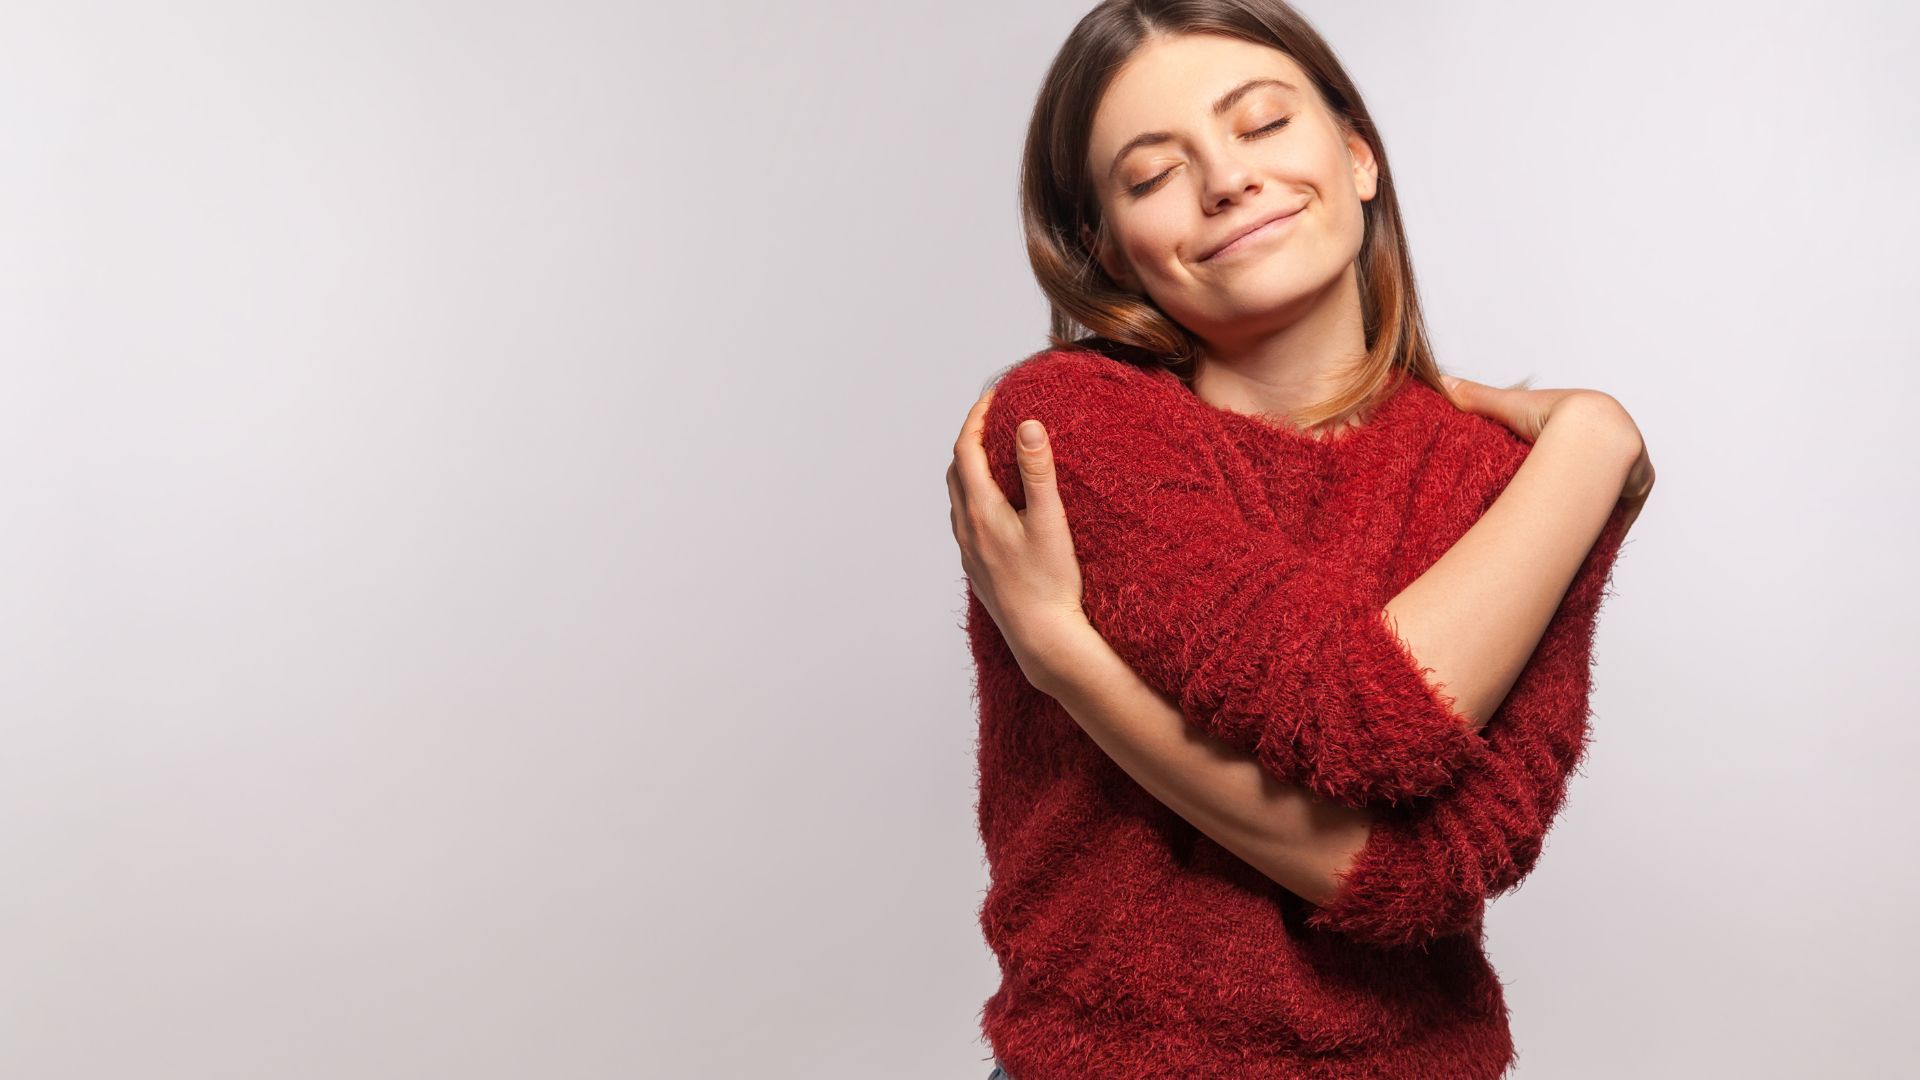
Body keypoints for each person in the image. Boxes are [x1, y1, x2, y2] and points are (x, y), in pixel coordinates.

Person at [945, 3, 1657, 1078]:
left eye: (1263, 121)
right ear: (1107, 250)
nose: (1226, 179)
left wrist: (1073, 666)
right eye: (1149, 176)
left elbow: (1446, 872)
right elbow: (1367, 712)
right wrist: (1598, 441)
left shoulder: (1519, 480)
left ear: (1358, 156)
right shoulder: (1068, 426)